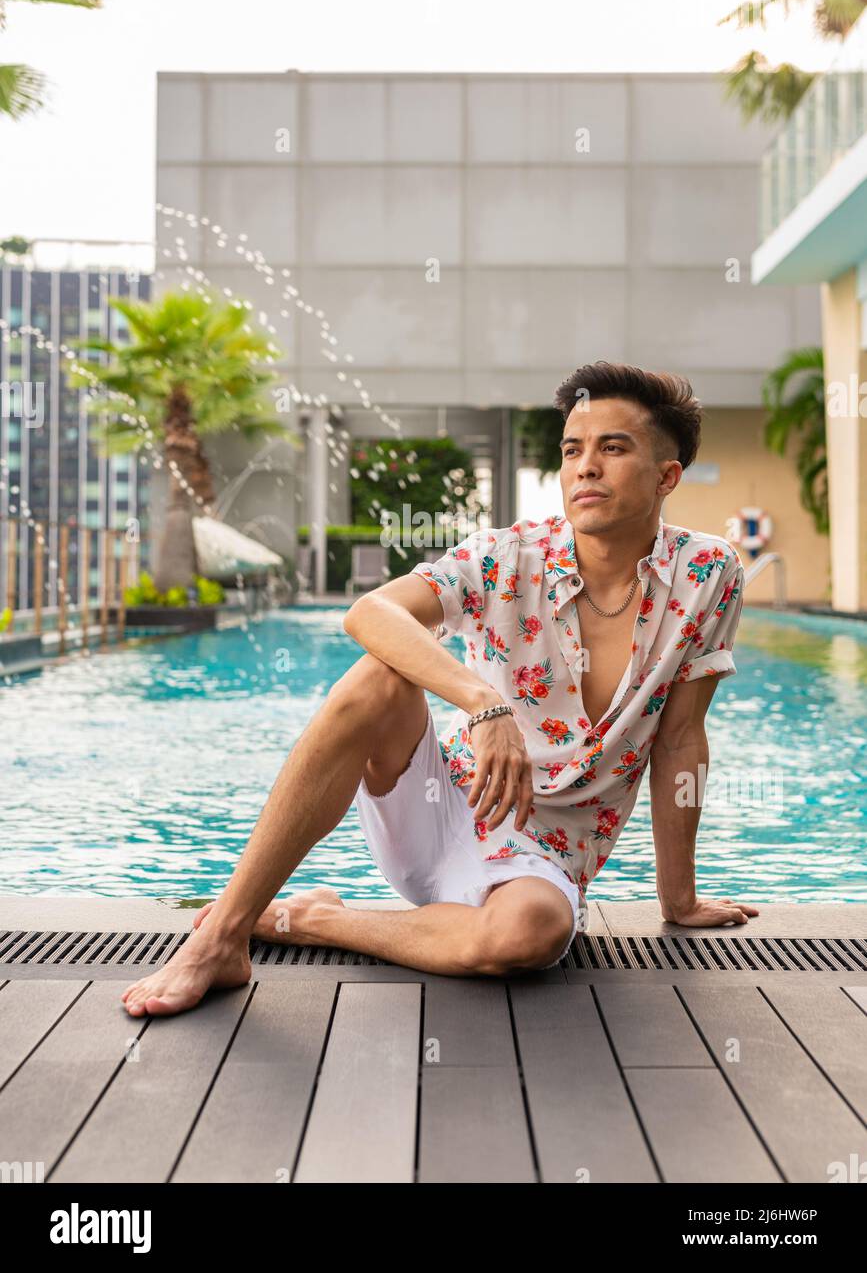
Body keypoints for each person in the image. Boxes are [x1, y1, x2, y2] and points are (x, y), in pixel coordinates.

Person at [122, 360, 758, 1018]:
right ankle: (225, 933)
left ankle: (308, 922)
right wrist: (481, 702)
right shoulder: (506, 556)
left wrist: (677, 901)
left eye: (612, 448)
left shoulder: (708, 574)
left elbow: (680, 737)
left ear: (666, 476)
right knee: (379, 675)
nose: (584, 467)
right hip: (438, 806)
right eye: (572, 450)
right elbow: (370, 613)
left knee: (532, 937)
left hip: (543, 858)